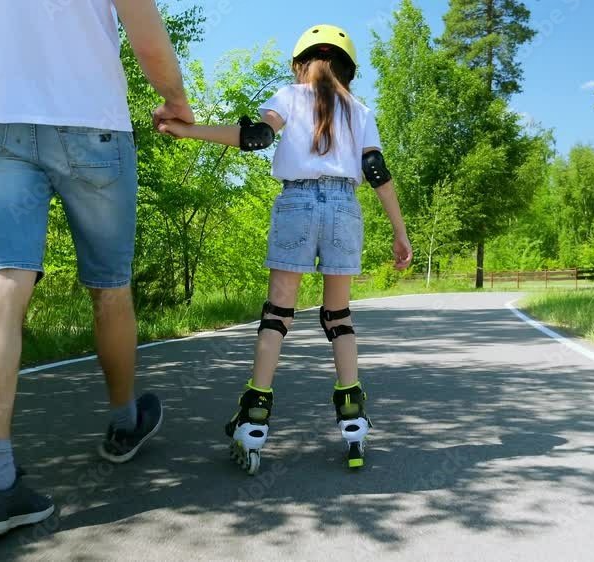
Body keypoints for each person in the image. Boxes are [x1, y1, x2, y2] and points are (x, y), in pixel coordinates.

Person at [0, 0, 193, 536]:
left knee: (3, 278)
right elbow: (148, 41)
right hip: (90, 120)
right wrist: (175, 99)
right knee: (110, 286)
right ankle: (125, 425)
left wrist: (12, 90)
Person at [160, 24, 412, 474]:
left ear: (299, 65)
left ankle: (255, 418)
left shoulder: (289, 96)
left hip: (296, 202)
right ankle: (352, 420)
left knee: (278, 313)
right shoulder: (360, 109)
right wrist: (400, 231)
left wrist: (189, 130)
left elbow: (256, 137)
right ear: (348, 71)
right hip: (343, 206)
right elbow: (374, 168)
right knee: (338, 317)